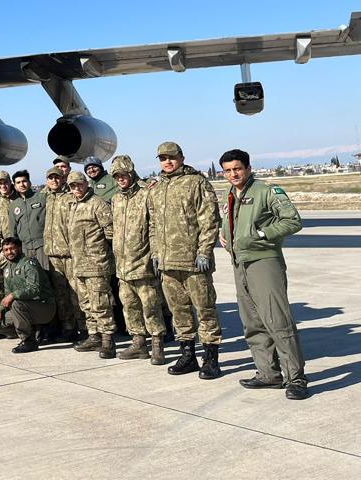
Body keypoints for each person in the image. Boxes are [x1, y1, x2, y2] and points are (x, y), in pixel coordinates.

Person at [219, 149, 308, 399]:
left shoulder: (266, 191)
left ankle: (296, 378)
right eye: (227, 170)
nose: (233, 174)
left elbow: (293, 221)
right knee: (252, 323)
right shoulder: (230, 195)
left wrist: (262, 235)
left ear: (247, 168)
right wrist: (224, 233)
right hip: (240, 264)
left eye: (237, 168)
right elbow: (233, 223)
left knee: (278, 321)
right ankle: (268, 373)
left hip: (264, 262)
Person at [146, 141, 223, 379]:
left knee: (205, 309)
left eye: (171, 157)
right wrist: (156, 254)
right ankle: (188, 354)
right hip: (169, 264)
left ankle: (211, 358)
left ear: (181, 157)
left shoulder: (196, 183)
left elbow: (209, 219)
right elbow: (153, 225)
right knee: (179, 311)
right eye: (162, 158)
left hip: (193, 262)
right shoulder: (157, 188)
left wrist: (204, 251)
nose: (167, 162)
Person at [111, 157, 166, 365]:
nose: (120, 179)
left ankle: (157, 344)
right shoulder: (116, 199)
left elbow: (154, 227)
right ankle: (138, 342)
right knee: (129, 306)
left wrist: (154, 255)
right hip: (123, 266)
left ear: (131, 173)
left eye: (123, 175)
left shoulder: (146, 194)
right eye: (116, 176)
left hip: (142, 263)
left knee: (151, 306)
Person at [66, 171, 117, 358]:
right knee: (86, 303)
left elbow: (110, 232)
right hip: (79, 264)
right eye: (72, 186)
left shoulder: (97, 204)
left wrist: (103, 254)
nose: (76, 188)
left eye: (79, 184)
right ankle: (93, 335)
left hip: (95, 264)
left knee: (101, 304)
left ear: (86, 184)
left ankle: (108, 340)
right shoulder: (74, 205)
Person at [0, 237, 56, 353]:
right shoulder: (7, 269)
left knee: (16, 304)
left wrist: (13, 295)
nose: (9, 252)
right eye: (6, 250)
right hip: (25, 309)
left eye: (12, 249)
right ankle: (32, 331)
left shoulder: (29, 264)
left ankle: (28, 341)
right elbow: (7, 293)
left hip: (44, 307)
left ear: (19, 248)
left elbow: (35, 288)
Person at [43, 167, 82, 342]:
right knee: (60, 294)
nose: (54, 181)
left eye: (57, 178)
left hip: (69, 253)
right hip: (53, 254)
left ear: (63, 179)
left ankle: (84, 326)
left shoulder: (70, 198)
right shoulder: (46, 198)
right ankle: (68, 327)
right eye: (50, 178)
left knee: (77, 292)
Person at [8, 171, 48, 269]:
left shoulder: (42, 198)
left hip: (42, 245)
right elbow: (13, 229)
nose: (22, 184)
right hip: (25, 247)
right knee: (30, 275)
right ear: (15, 186)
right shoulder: (14, 205)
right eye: (18, 182)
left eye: (24, 181)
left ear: (29, 182)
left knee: (46, 274)